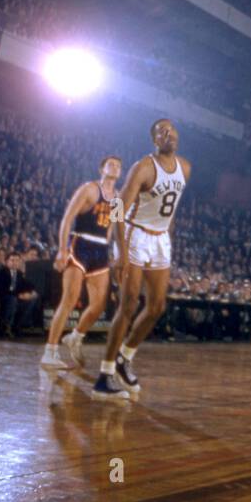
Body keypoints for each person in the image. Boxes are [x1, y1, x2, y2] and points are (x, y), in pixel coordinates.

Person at [91, 119, 189, 403]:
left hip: (160, 238)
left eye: (171, 130)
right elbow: (119, 206)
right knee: (129, 304)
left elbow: (169, 209)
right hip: (134, 235)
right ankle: (104, 376)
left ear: (178, 136)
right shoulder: (143, 167)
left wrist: (167, 239)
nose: (168, 134)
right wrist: (119, 252)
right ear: (154, 140)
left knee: (157, 307)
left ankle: (125, 357)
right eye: (161, 132)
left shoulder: (186, 168)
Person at [41, 155, 122, 371]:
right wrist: (61, 249)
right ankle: (50, 351)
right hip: (81, 244)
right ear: (101, 168)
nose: (115, 167)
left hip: (101, 250)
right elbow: (67, 218)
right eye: (111, 164)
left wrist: (115, 254)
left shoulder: (119, 199)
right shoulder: (88, 189)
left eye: (118, 165)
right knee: (69, 299)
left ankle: (76, 336)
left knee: (98, 306)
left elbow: (114, 230)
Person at [0, 251, 39, 339]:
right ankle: (6, 328)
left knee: (32, 299)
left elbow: (28, 285)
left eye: (17, 260)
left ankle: (17, 326)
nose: (15, 263)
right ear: (6, 262)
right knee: (13, 300)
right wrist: (18, 295)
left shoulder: (18, 274)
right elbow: (1, 289)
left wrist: (32, 292)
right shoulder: (2, 273)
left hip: (15, 297)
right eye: (12, 260)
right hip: (3, 298)